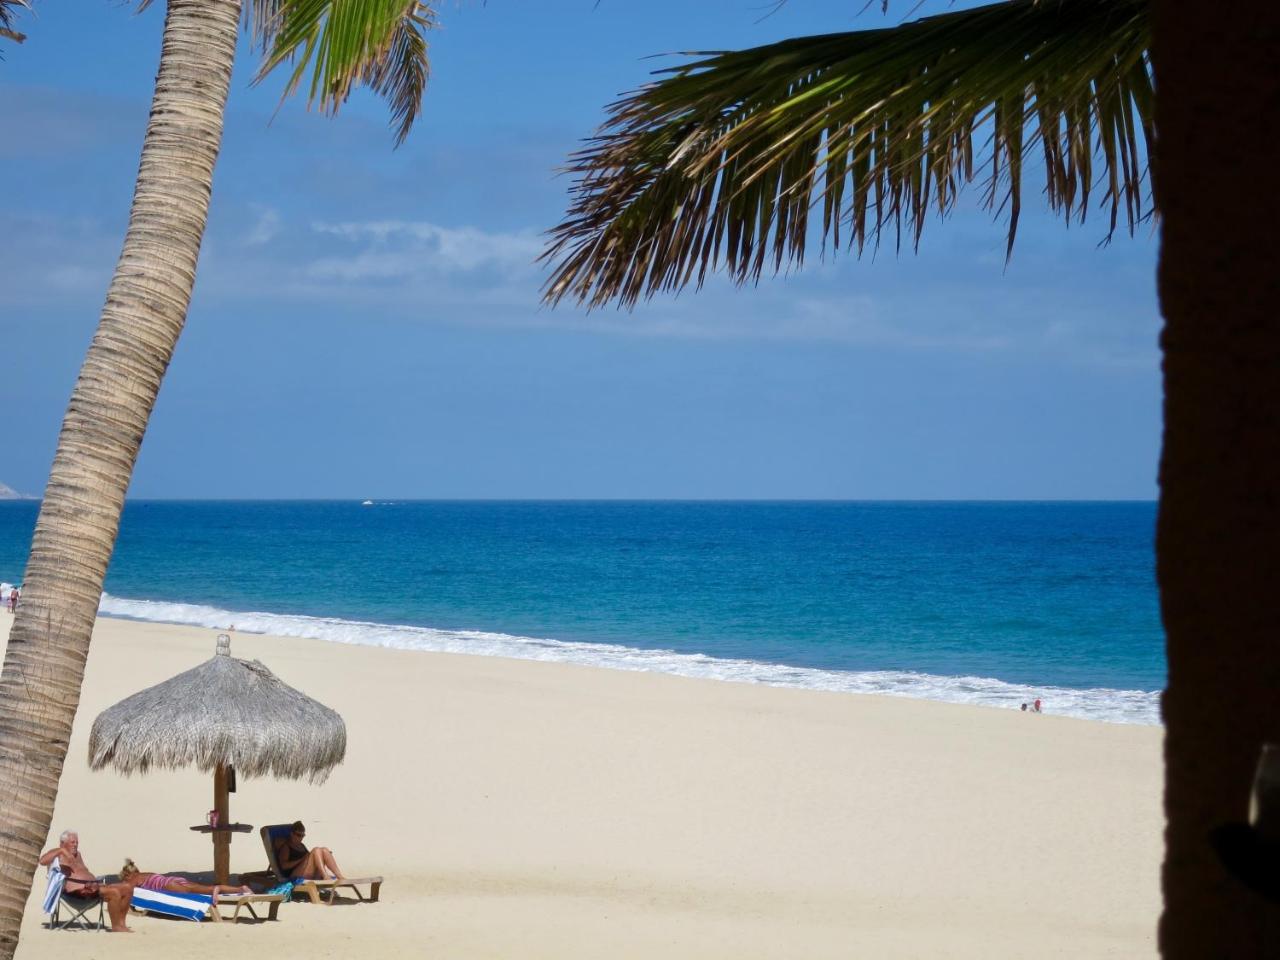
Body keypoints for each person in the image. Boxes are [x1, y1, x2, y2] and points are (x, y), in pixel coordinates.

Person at [38, 830, 134, 932]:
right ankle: (116, 926)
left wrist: (94, 882)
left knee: (127, 888)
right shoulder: (58, 855)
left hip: (93, 887)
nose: (75, 845)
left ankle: (121, 923)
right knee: (114, 892)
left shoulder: (77, 855)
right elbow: (42, 861)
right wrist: (61, 851)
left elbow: (84, 872)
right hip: (78, 894)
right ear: (62, 843)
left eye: (77, 842)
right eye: (72, 842)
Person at [119, 858, 250, 898]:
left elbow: (127, 889)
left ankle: (214, 891)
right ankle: (240, 888)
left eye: (124, 878)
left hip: (167, 885)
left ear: (128, 874)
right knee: (201, 888)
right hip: (173, 880)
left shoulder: (133, 879)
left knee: (195, 892)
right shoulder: (145, 873)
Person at [274, 821, 346, 880]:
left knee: (324, 850)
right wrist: (301, 860)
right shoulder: (286, 847)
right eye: (298, 835)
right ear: (292, 834)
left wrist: (324, 856)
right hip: (295, 875)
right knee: (316, 850)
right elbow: (284, 866)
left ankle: (339, 876)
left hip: (306, 872)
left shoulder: (301, 845)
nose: (301, 838)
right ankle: (325, 876)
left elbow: (310, 859)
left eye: (303, 835)